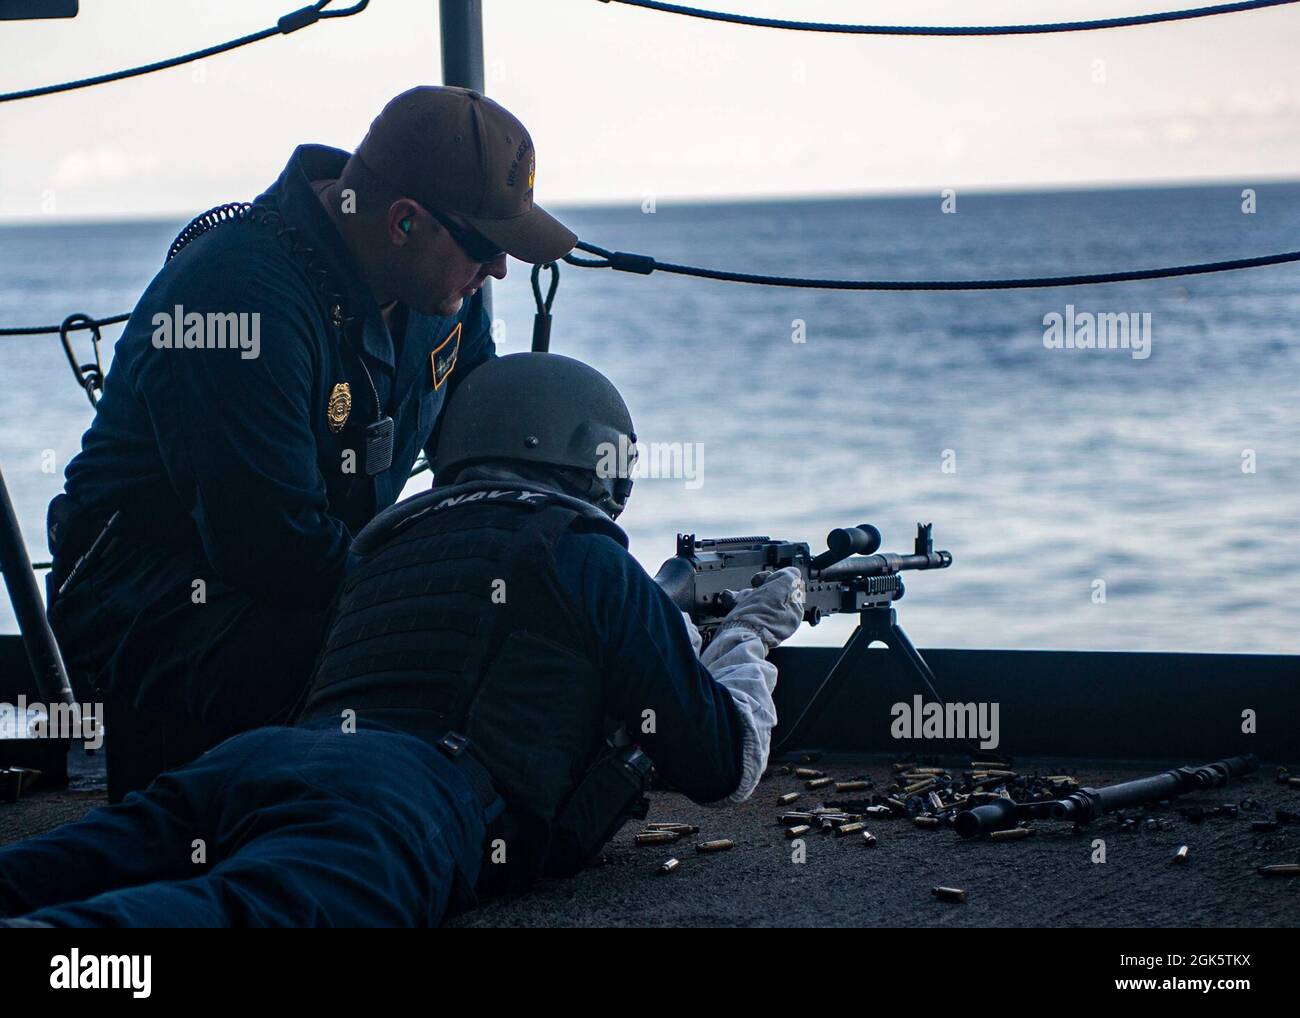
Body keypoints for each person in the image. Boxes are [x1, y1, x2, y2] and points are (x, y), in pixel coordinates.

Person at [0, 353, 805, 927]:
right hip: (403, 796)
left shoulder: (379, 544)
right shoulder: (583, 553)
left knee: (49, 868)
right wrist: (746, 636)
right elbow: (720, 763)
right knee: (239, 914)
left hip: (253, 760)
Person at [45, 86, 576, 799]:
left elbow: (482, 462)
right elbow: (274, 550)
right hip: (162, 598)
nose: (500, 272)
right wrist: (443, 600)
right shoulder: (238, 300)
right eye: (485, 246)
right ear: (404, 222)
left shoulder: (441, 296)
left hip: (312, 572)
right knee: (429, 665)